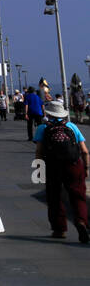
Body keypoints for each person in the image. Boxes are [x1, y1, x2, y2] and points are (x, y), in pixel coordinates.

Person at [33, 101, 89, 242]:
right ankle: (81, 221)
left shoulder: (42, 128)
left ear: (49, 113)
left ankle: (59, 229)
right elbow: (84, 151)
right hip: (74, 165)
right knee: (78, 195)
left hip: (53, 166)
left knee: (54, 197)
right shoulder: (71, 126)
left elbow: (39, 151)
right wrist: (86, 168)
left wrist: (39, 170)